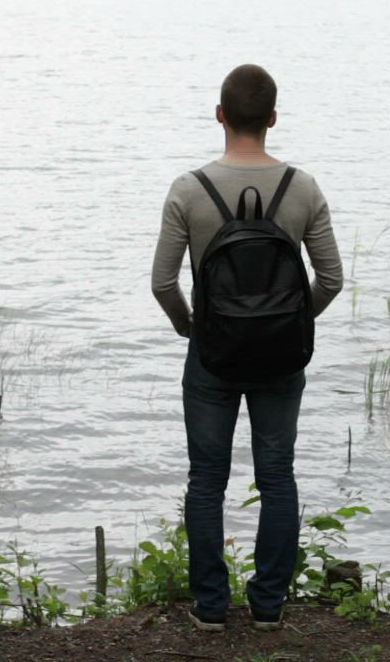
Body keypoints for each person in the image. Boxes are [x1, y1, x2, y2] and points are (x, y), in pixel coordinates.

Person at [151, 64, 344, 632]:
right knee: (277, 475)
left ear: (219, 115)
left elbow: (163, 283)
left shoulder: (189, 190)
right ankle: (267, 607)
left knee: (206, 479)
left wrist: (192, 327)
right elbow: (330, 278)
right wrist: (292, 324)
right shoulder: (303, 188)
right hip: (281, 359)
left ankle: (211, 609)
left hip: (211, 355)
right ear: (273, 119)